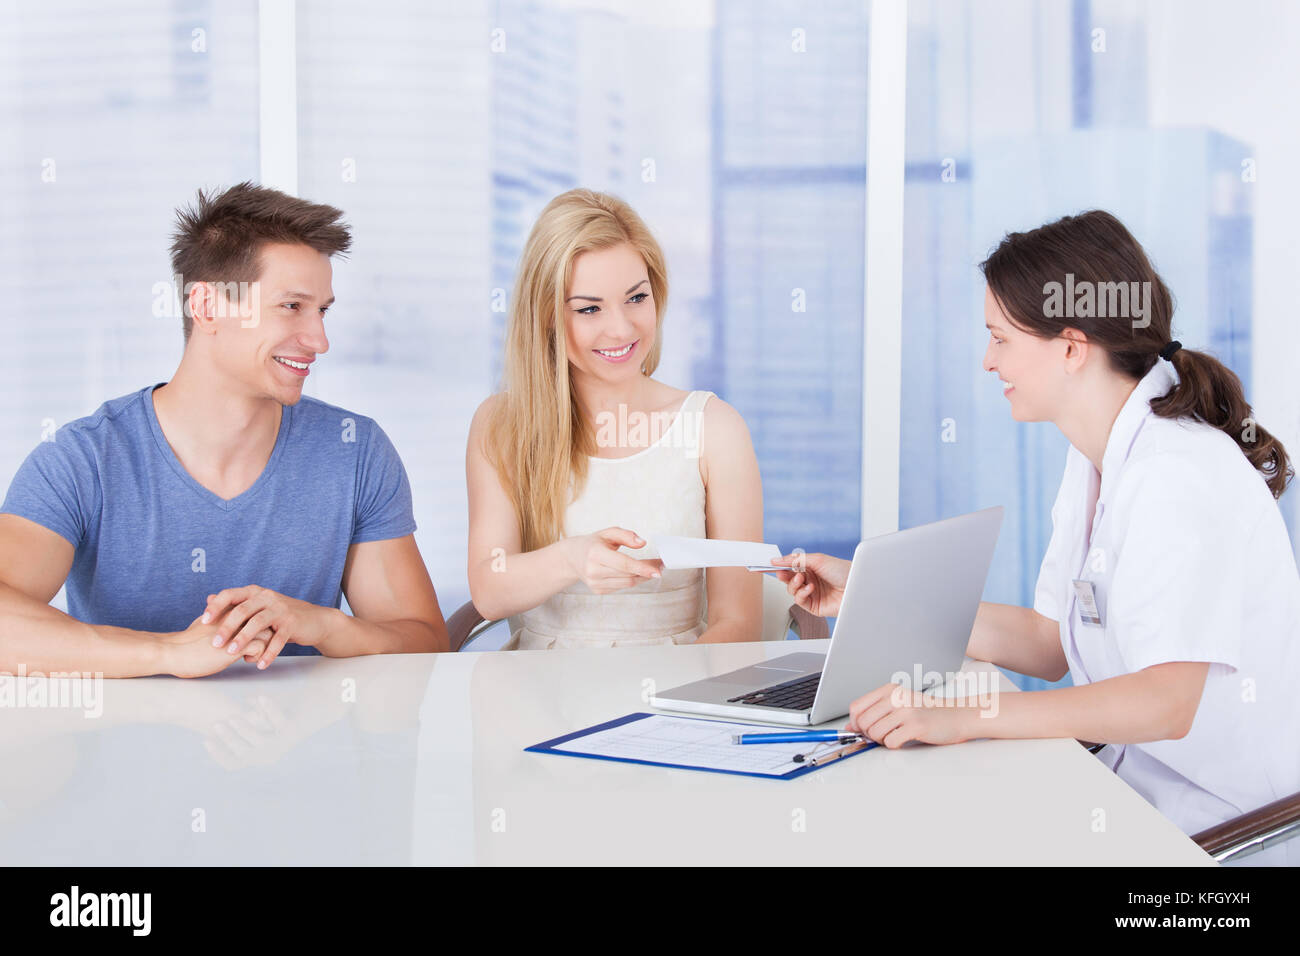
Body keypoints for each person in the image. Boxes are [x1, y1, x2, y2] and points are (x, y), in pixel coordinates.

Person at [772, 210, 1300, 865]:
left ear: (1072, 347)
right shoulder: (1097, 456)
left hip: (1218, 836)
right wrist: (869, 592)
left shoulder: (1177, 473)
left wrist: (963, 718)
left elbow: (1165, 704)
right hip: (1131, 795)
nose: (988, 361)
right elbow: (1049, 644)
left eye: (999, 338)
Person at [0, 182, 448, 678]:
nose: (320, 340)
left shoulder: (354, 450)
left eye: (322, 310)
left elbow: (425, 641)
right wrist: (169, 653)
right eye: (292, 306)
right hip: (124, 731)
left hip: (307, 730)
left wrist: (323, 626)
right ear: (207, 307)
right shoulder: (83, 460)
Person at [466, 188, 763, 649]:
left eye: (636, 298)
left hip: (678, 681)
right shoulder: (501, 425)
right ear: (546, 316)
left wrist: (670, 692)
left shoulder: (715, 429)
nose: (622, 328)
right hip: (539, 687)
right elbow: (489, 590)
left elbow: (739, 623)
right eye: (589, 308)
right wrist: (571, 558)